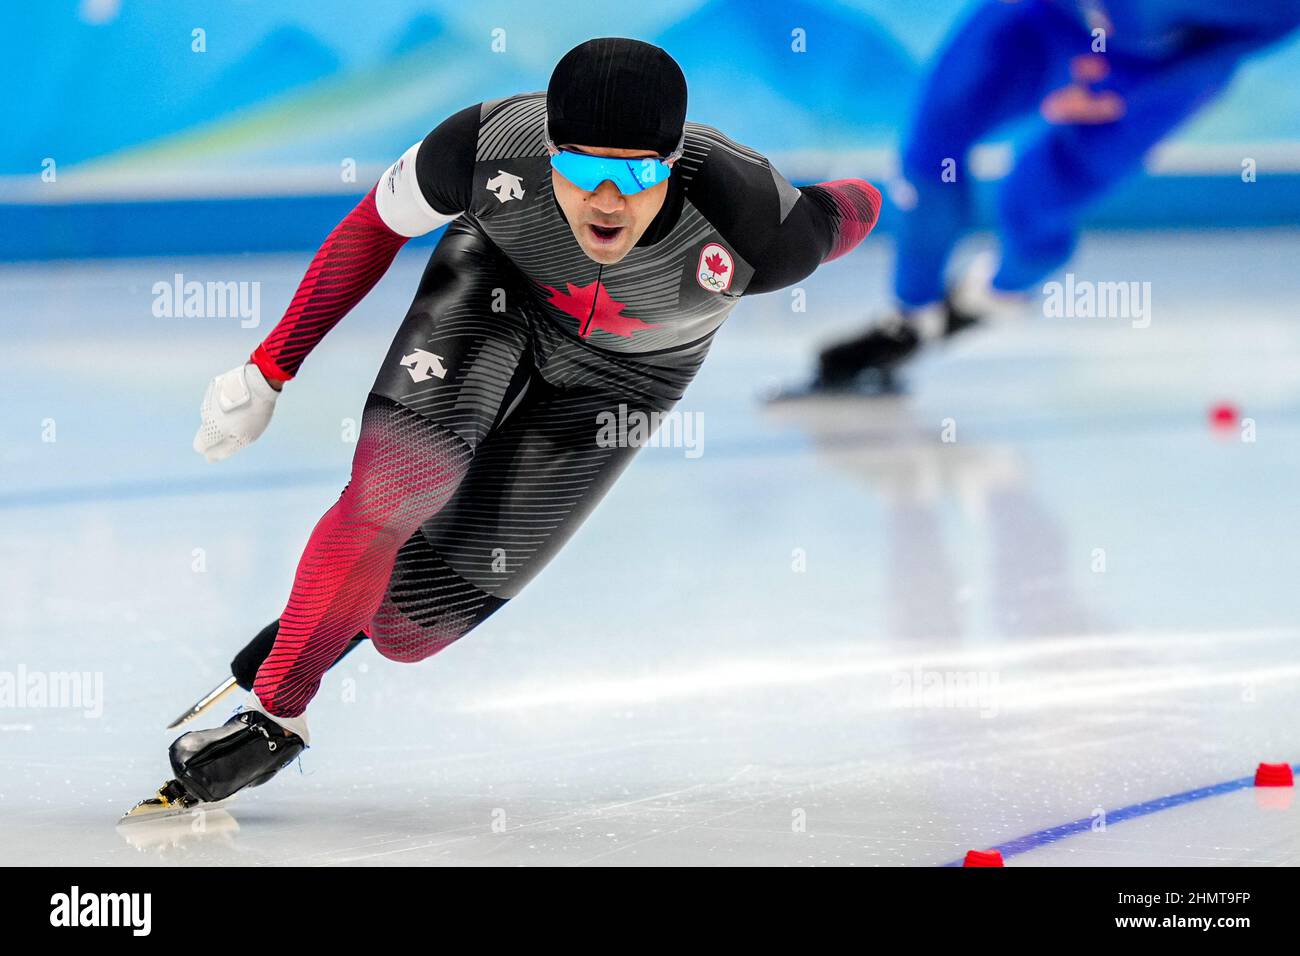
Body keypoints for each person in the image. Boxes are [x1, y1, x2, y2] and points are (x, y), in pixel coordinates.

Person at [148, 37, 881, 809]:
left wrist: (902, 191)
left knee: (410, 628)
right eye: (581, 168)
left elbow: (852, 207)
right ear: (547, 151)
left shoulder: (758, 224)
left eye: (634, 174)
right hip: (493, 297)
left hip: (627, 378)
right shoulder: (481, 146)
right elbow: (373, 226)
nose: (606, 200)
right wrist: (269, 368)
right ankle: (275, 712)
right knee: (396, 484)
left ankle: (339, 612)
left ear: (669, 165)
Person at [814, 0, 1300, 391]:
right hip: (1042, 20)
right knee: (931, 155)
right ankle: (910, 316)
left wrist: (1123, 89)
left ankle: (994, 296)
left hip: (1155, 67)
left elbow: (1257, 34)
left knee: (1034, 198)